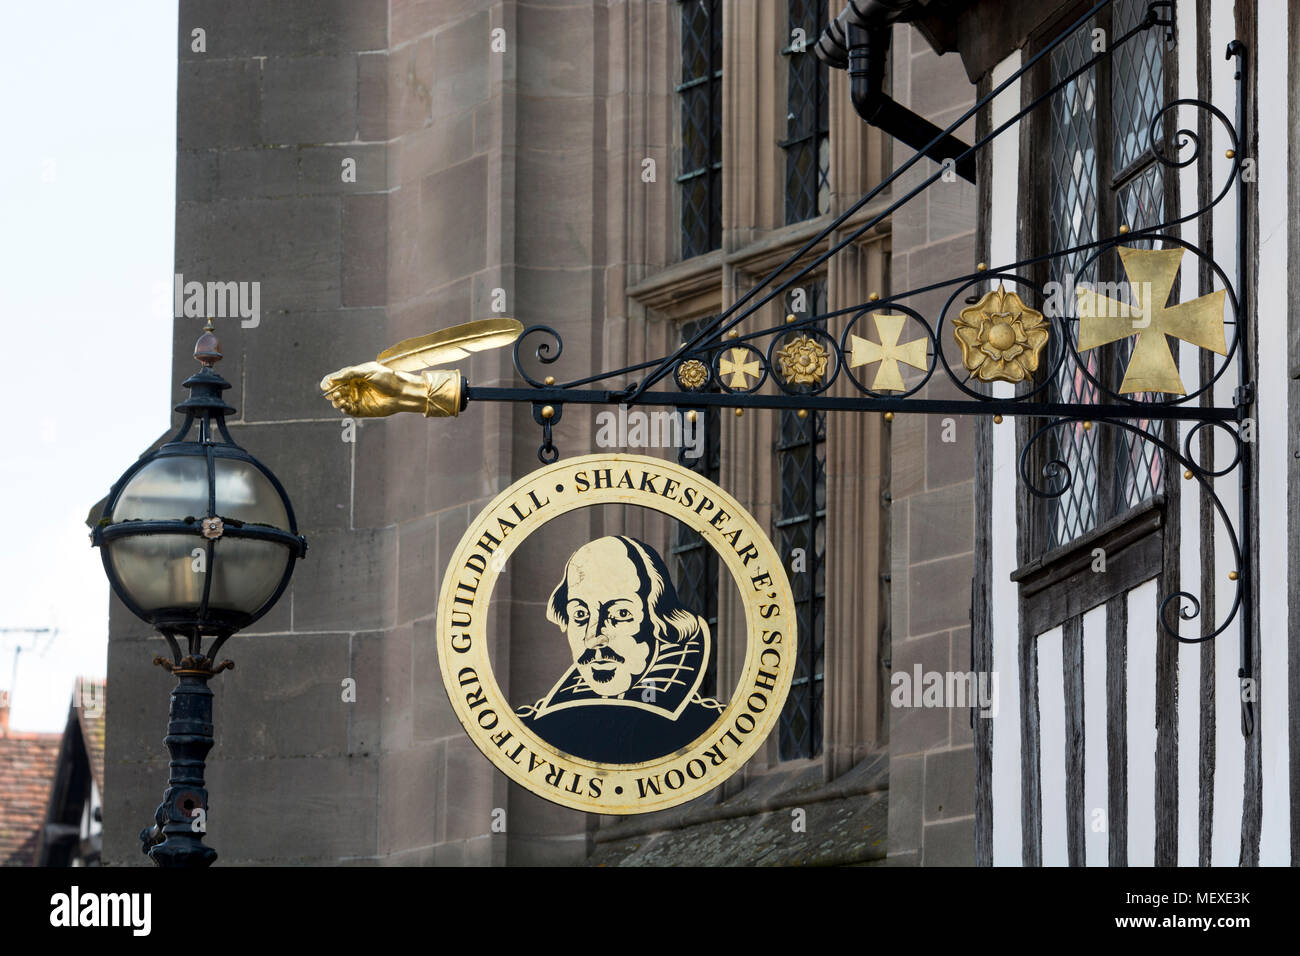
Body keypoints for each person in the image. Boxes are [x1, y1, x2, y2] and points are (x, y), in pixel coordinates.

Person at [518, 535, 723, 763]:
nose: (593, 638)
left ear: (659, 621)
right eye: (580, 614)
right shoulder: (534, 733)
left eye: (620, 614)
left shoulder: (708, 731)